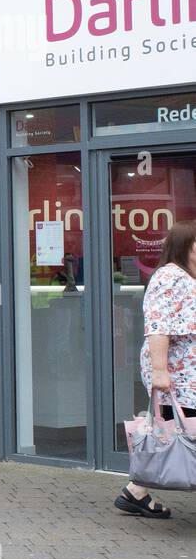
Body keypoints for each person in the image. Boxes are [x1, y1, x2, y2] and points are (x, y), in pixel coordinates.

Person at [115, 222, 196, 519]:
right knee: (183, 435)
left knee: (183, 435)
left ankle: (135, 492)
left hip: (186, 375)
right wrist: (161, 373)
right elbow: (159, 326)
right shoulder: (170, 277)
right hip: (180, 376)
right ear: (183, 246)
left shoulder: (186, 277)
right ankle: (135, 491)